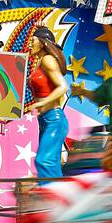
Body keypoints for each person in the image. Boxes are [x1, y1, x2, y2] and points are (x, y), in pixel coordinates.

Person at [27, 26, 70, 179]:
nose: (30, 44)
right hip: (44, 120)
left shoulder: (47, 60)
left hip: (54, 119)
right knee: (52, 162)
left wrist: (42, 102)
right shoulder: (39, 62)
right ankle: (56, 196)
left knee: (43, 161)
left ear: (43, 43)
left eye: (33, 41)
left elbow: (63, 86)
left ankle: (51, 196)